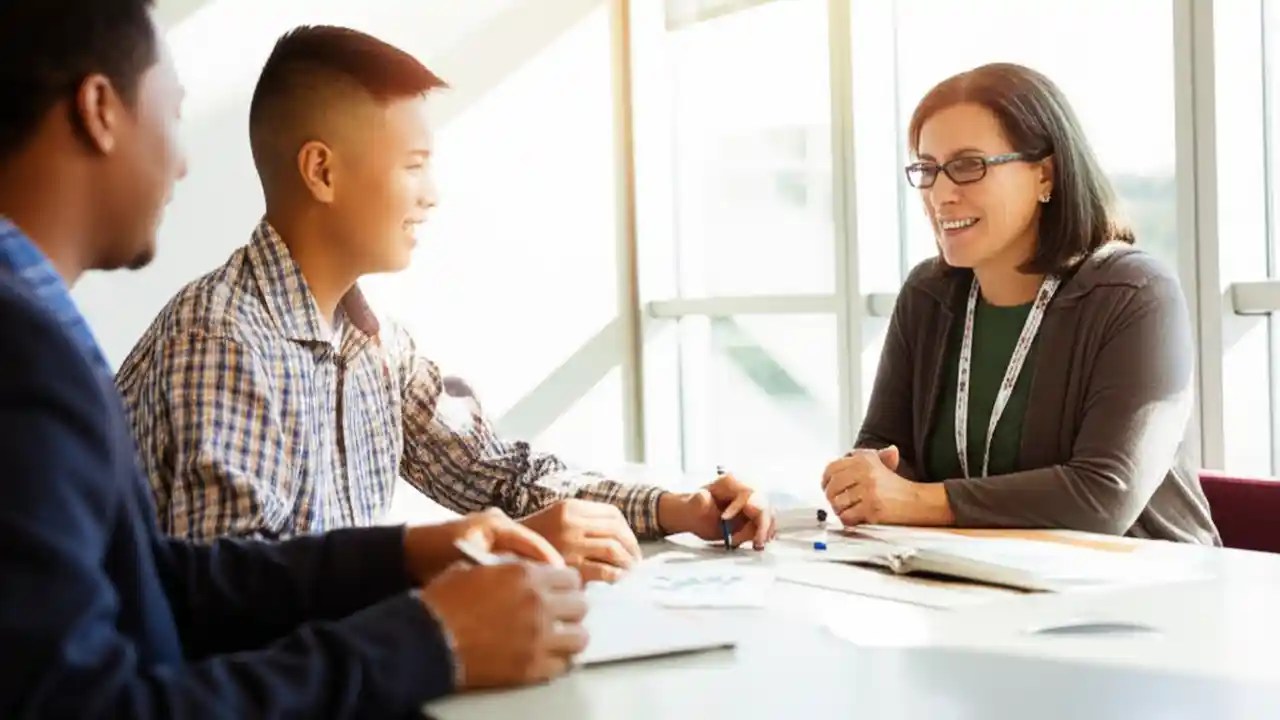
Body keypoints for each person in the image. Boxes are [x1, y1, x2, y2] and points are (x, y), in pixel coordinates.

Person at [0, 2, 590, 716]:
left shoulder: (37, 327)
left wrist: (405, 555)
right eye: (174, 112)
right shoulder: (31, 356)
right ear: (100, 110)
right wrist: (432, 637)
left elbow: (153, 581)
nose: (184, 160)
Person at [115, 24, 777, 579]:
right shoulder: (223, 340)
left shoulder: (373, 344)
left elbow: (501, 479)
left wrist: (676, 508)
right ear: (322, 171)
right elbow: (237, 601)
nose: (431, 193)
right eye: (412, 164)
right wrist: (476, 561)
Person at [821, 63, 1219, 544]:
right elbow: (885, 452)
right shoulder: (928, 294)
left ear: (1045, 174)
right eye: (927, 169)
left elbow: (1102, 497)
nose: (941, 194)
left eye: (969, 166)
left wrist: (914, 500)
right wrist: (863, 479)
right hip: (973, 579)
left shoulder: (1133, 293)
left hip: (1142, 593)